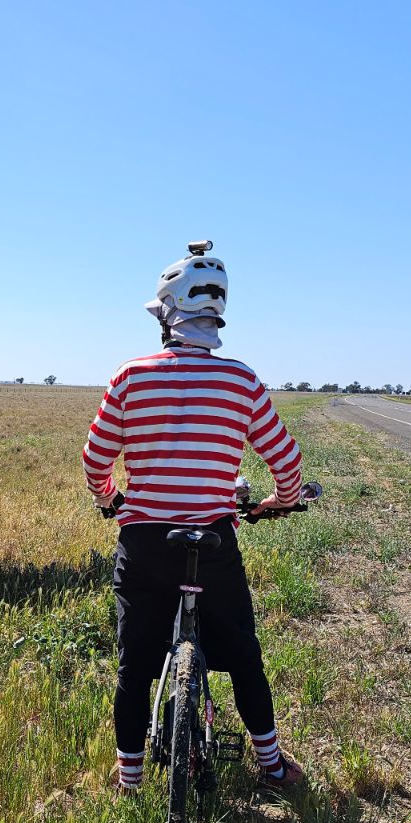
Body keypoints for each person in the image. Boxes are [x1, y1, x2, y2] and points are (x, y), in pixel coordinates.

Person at [82, 242, 305, 792]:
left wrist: (110, 496)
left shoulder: (131, 376)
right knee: (245, 656)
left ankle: (130, 778)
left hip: (145, 543)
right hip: (213, 541)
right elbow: (287, 462)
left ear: (166, 315)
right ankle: (272, 765)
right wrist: (279, 499)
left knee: (135, 664)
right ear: (216, 315)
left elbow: (94, 458)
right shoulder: (241, 380)